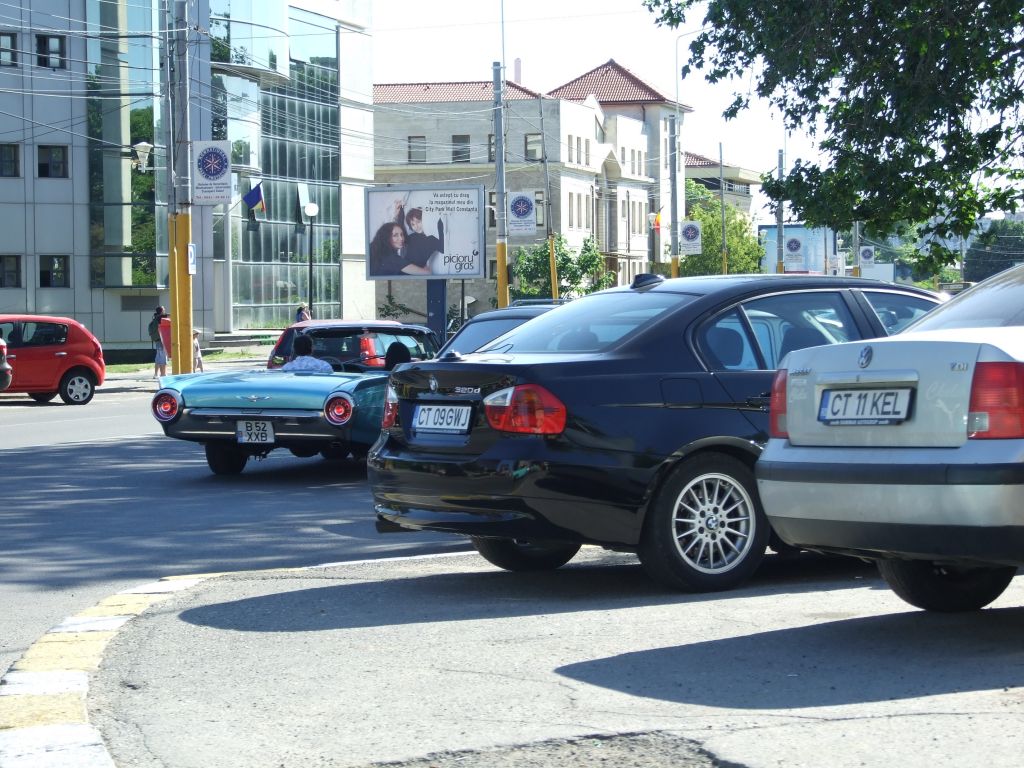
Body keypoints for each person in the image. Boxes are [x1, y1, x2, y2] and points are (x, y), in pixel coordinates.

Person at [149, 306, 169, 379]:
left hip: (157, 341)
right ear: (161, 311)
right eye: (164, 309)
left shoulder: (155, 318)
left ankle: (156, 374)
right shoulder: (160, 318)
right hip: (161, 341)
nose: (165, 310)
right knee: (163, 358)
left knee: (158, 358)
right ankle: (163, 375)